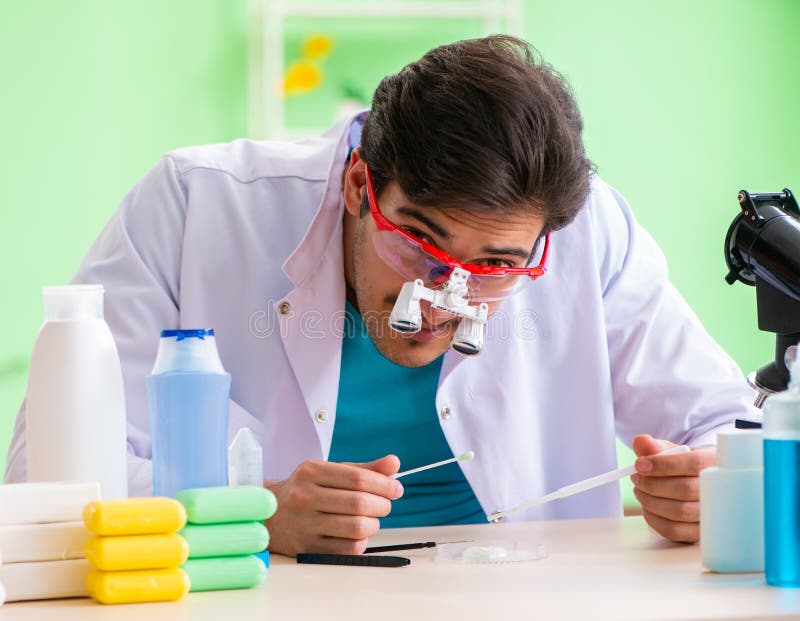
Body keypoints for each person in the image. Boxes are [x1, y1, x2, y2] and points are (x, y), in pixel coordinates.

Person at [5, 36, 756, 556]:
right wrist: (254, 513)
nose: (447, 298)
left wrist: (715, 484)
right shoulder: (196, 205)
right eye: (420, 248)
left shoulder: (585, 234)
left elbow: (734, 422)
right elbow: (47, 475)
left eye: (494, 266)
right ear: (360, 185)